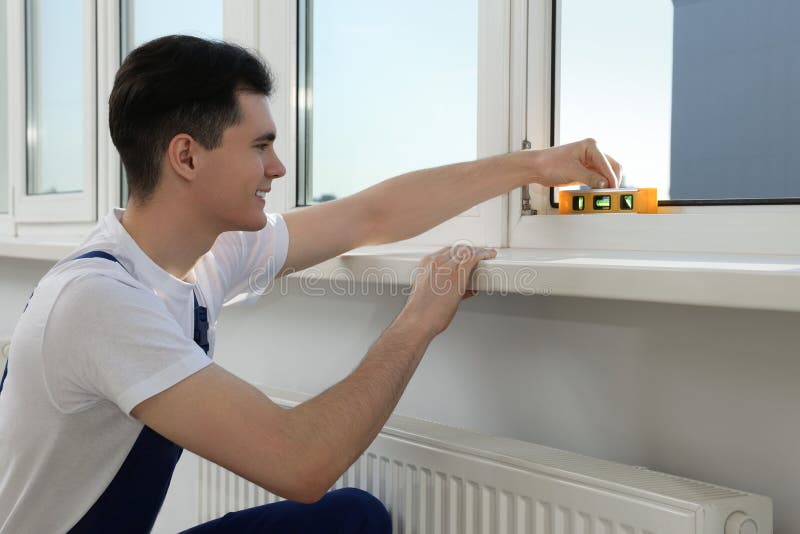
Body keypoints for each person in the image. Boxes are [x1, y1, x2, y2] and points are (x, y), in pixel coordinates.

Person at [0, 35, 620, 533]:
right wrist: (417, 321)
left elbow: (369, 216)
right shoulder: (97, 302)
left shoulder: (200, 256)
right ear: (186, 157)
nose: (278, 168)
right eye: (260, 146)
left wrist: (532, 166)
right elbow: (300, 462)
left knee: (352, 519)